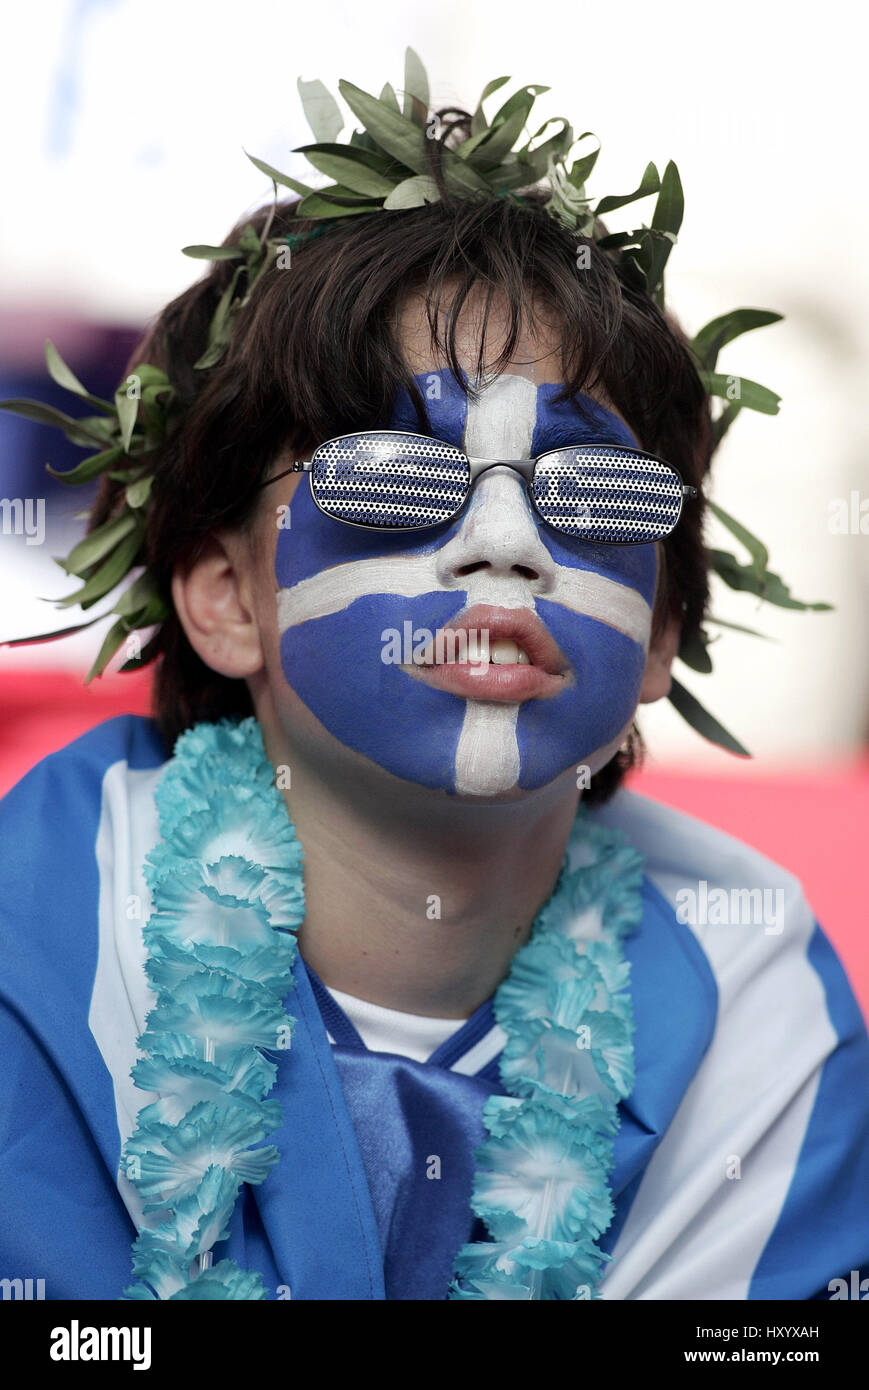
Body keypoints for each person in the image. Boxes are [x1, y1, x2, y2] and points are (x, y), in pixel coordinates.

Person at [0, 57, 867, 1302]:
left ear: (663, 628)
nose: (506, 543)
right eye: (394, 479)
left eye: (592, 495)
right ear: (225, 596)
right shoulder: (33, 946)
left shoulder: (760, 1011)